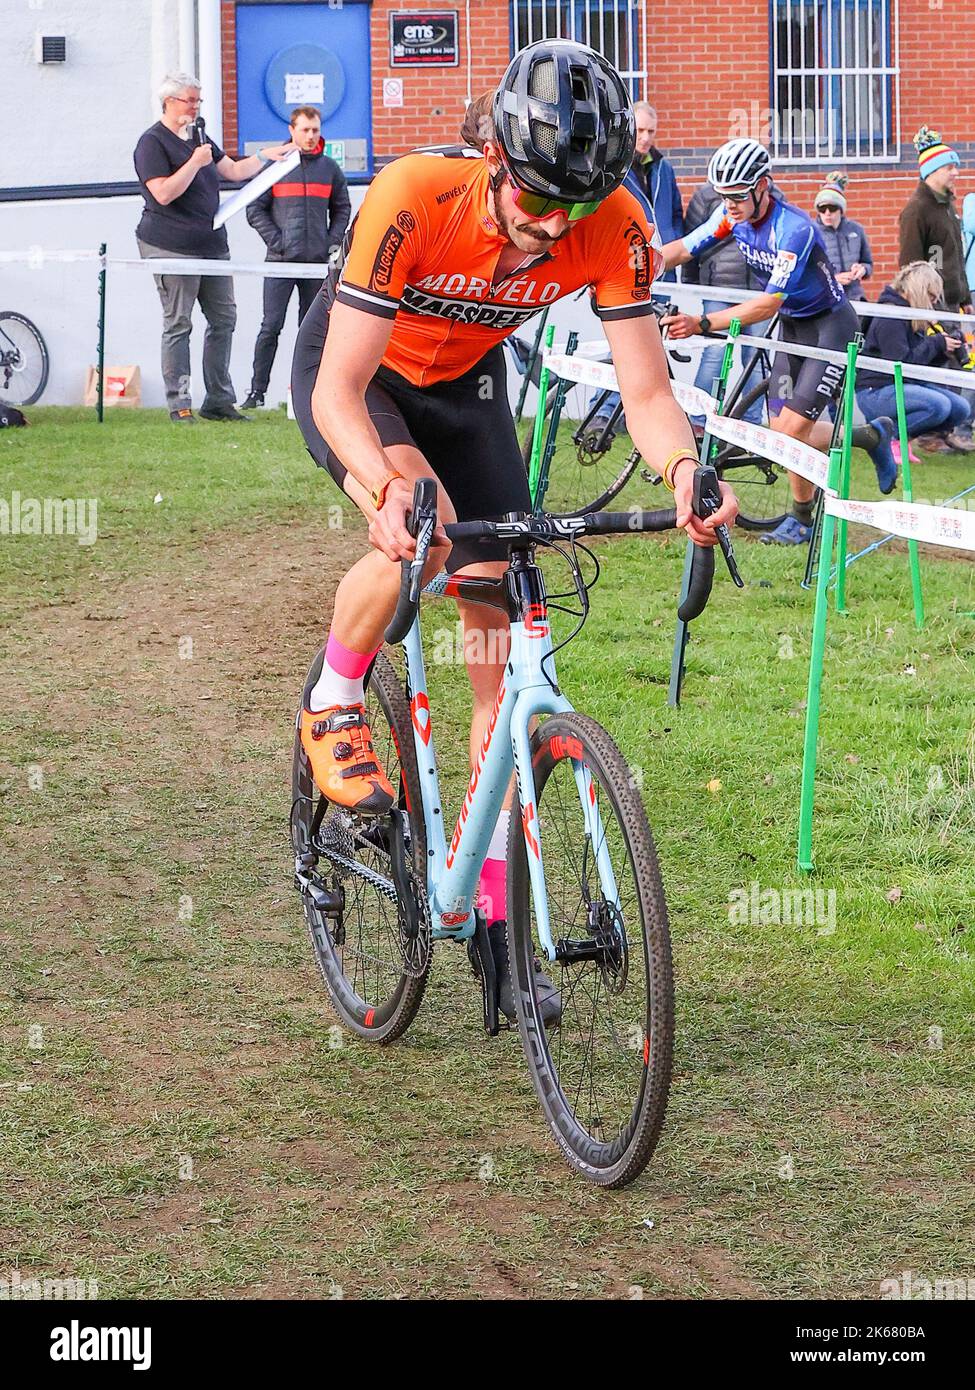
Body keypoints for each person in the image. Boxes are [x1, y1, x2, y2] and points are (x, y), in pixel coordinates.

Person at [290, 41, 737, 1022]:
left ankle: (492, 918)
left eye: (569, 213)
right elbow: (336, 390)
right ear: (494, 155)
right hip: (367, 378)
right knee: (432, 534)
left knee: (500, 627)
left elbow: (648, 389)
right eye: (534, 203)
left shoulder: (610, 222)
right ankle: (331, 699)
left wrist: (685, 470)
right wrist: (382, 486)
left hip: (468, 389)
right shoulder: (414, 194)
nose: (547, 232)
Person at [661, 138, 898, 543]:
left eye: (737, 195)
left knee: (789, 433)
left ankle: (803, 520)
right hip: (794, 328)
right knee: (779, 430)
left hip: (830, 329)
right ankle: (870, 436)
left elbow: (769, 302)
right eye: (723, 196)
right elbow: (683, 248)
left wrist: (703, 323)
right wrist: (631, 266)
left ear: (762, 187)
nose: (730, 204)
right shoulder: (730, 216)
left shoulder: (793, 229)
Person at [133, 72, 293, 423]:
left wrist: (267, 156)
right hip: (170, 245)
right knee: (179, 323)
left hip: (211, 242)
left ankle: (219, 400)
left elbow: (234, 171)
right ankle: (180, 404)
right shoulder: (152, 144)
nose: (196, 107)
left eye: (198, 100)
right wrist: (194, 162)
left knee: (224, 319)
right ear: (169, 102)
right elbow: (162, 193)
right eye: (190, 100)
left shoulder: (200, 138)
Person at [240, 106, 351, 410]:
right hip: (279, 261)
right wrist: (278, 242)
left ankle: (309, 395)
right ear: (292, 130)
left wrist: (332, 242)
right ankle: (256, 393)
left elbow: (342, 208)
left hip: (316, 266)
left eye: (315, 129)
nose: (311, 135)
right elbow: (254, 209)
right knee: (270, 326)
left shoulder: (329, 169)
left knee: (312, 330)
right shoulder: (276, 168)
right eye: (305, 130)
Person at [899, 127, 974, 443]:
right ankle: (929, 434)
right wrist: (922, 309)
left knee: (958, 363)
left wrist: (964, 296)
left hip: (952, 301)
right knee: (941, 363)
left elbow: (956, 256)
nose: (956, 173)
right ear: (931, 171)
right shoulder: (916, 210)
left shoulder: (946, 205)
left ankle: (947, 430)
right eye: (949, 168)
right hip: (930, 303)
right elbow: (910, 264)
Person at [857, 263, 974, 458]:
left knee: (960, 408)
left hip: (900, 386)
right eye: (931, 295)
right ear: (919, 290)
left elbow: (919, 366)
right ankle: (886, 438)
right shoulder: (891, 315)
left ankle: (900, 439)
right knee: (939, 405)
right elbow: (900, 364)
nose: (933, 301)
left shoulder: (911, 315)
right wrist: (936, 343)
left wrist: (944, 351)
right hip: (875, 390)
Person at [683, 180, 768, 426]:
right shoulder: (705, 196)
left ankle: (750, 423)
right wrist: (691, 284)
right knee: (714, 355)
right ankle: (699, 421)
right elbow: (691, 242)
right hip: (720, 286)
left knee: (756, 357)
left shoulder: (768, 195)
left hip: (760, 291)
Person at [813, 172, 873, 302]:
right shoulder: (812, 233)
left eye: (832, 208)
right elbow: (807, 274)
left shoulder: (856, 230)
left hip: (855, 297)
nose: (827, 213)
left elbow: (868, 263)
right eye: (822, 209)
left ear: (841, 209)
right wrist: (834, 279)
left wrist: (862, 269)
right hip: (826, 299)